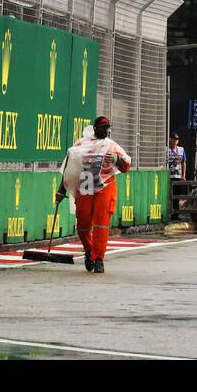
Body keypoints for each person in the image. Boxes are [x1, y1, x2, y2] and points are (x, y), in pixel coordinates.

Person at [57, 116, 131, 274]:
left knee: (101, 224)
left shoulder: (111, 145)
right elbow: (69, 168)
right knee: (83, 223)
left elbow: (126, 166)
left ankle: (98, 259)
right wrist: (61, 190)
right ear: (96, 128)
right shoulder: (81, 144)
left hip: (105, 186)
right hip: (86, 184)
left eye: (108, 127)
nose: (106, 130)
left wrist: (117, 159)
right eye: (103, 127)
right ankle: (89, 251)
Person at [166, 132, 186, 218]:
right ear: (170, 139)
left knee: (176, 195)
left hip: (178, 176)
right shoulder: (166, 150)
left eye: (176, 139)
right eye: (173, 139)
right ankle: (168, 213)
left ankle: (176, 214)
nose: (174, 141)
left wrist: (183, 175)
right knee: (168, 195)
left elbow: (184, 163)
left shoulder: (181, 150)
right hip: (168, 176)